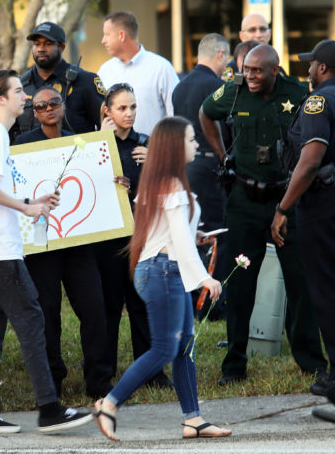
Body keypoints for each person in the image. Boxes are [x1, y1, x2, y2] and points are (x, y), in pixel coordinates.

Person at [0, 69, 91, 434]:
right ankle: (49, 409)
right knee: (32, 319)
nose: (25, 96)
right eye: (19, 91)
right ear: (1, 99)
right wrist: (25, 207)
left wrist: (31, 201)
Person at [93, 116, 230, 442]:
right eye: (190, 139)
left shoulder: (162, 181)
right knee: (165, 348)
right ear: (174, 146)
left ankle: (193, 420)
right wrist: (204, 278)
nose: (196, 144)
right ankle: (108, 404)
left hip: (162, 269)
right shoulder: (171, 185)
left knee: (183, 347)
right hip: (163, 271)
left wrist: (195, 235)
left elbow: (172, 231)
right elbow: (178, 240)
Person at [199, 44, 328, 389]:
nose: (250, 76)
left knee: (299, 282)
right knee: (240, 284)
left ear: (274, 70)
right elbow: (205, 113)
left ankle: (311, 362)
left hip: (287, 198)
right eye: (247, 69)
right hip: (244, 200)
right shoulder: (234, 90)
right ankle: (234, 364)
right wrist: (222, 155)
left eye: (257, 71)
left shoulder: (298, 93)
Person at [13, 86, 111, 399]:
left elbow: (96, 182)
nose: (48, 109)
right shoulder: (22, 146)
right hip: (41, 243)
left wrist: (115, 182)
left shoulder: (79, 141)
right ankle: (51, 381)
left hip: (78, 240)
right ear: (34, 112)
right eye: (40, 106)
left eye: (53, 103)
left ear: (63, 106)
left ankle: (99, 380)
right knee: (47, 311)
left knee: (94, 307)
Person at [271, 40, 335, 386]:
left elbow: (310, 160)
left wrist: (283, 207)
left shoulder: (320, 101)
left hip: (325, 202)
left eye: (311, 64)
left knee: (328, 287)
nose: (307, 71)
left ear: (322, 68)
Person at [94, 82, 174, 390]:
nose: (129, 113)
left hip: (143, 235)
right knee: (109, 306)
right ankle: (104, 372)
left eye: (133, 107)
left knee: (142, 303)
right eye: (122, 108)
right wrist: (101, 144)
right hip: (109, 239)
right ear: (108, 111)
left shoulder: (147, 144)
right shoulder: (95, 144)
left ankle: (152, 371)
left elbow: (166, 191)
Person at [172, 34, 231, 296]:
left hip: (184, 167)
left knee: (191, 230)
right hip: (209, 166)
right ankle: (211, 300)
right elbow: (225, 129)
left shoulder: (180, 86)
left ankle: (193, 292)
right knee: (214, 232)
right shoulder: (218, 86)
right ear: (220, 54)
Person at [13, 22, 106, 140]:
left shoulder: (84, 80)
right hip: (29, 152)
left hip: (77, 150)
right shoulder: (20, 85)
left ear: (61, 47)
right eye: (37, 44)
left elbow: (107, 123)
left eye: (48, 44)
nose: (41, 49)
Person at [99, 11, 179, 134]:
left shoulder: (161, 68)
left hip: (153, 146)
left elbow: (176, 115)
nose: (103, 41)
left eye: (107, 35)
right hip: (113, 146)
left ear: (122, 35)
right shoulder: (104, 71)